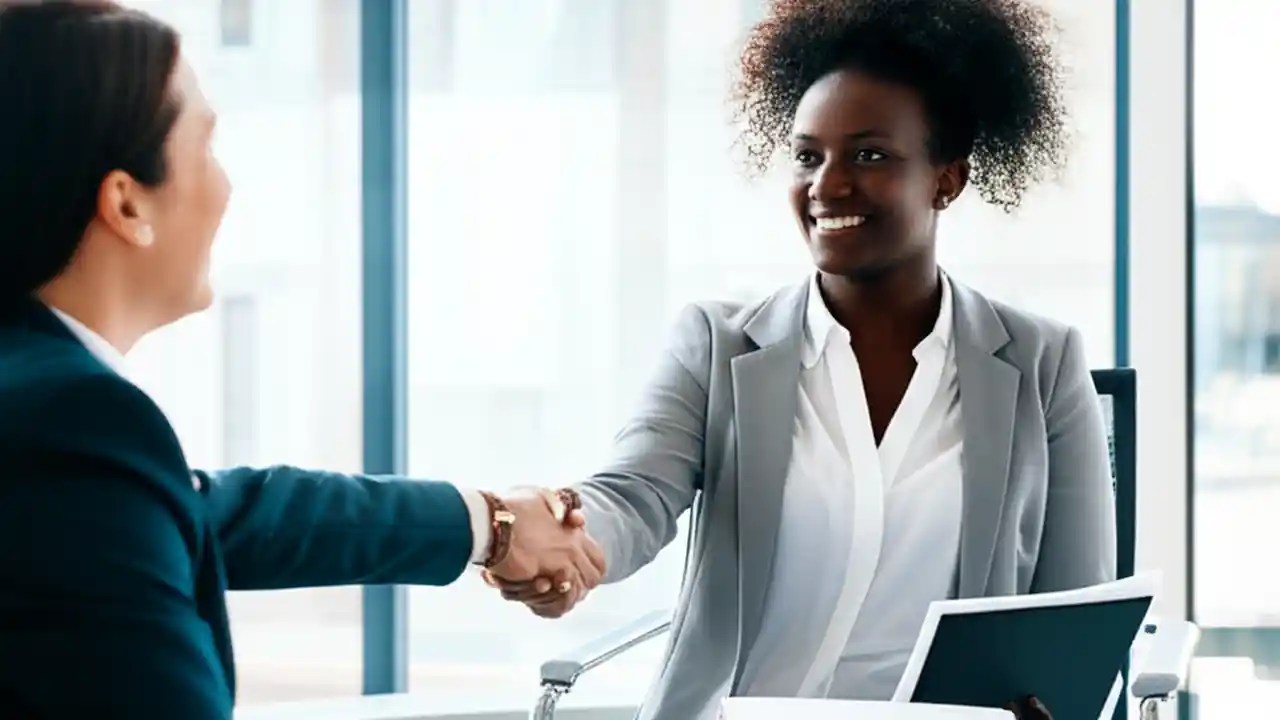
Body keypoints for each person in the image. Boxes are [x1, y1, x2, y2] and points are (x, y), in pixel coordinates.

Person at [490, 1, 1114, 718]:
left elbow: (1077, 613)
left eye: (870, 155)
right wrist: (563, 536)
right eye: (808, 156)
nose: (827, 185)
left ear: (947, 178)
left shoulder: (1041, 361)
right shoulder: (717, 345)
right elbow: (634, 496)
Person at [0, 3, 604, 718]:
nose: (227, 188)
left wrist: (489, 524)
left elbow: (209, 515)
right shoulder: (77, 422)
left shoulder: (42, 407)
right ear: (127, 205)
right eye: (206, 147)